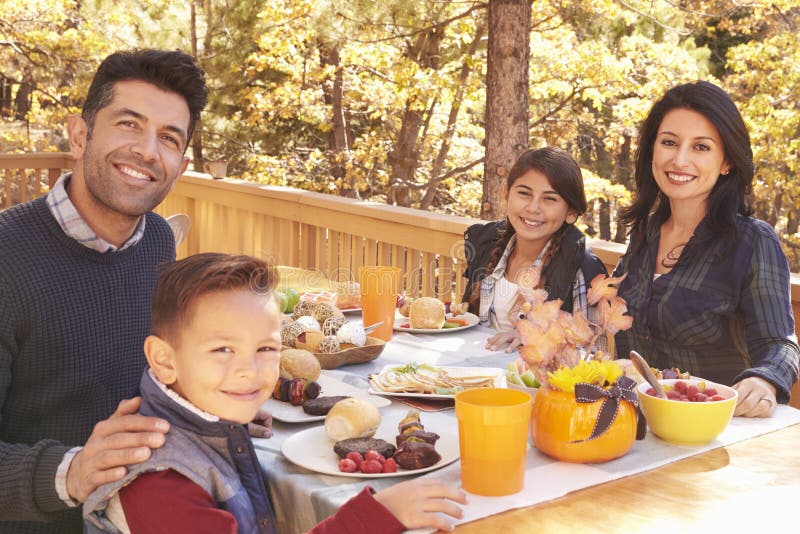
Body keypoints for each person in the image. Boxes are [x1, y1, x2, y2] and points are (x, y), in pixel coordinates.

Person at [83, 253, 467, 533]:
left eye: (265, 349)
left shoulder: (198, 417)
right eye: (222, 350)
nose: (249, 372)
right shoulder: (159, 483)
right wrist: (378, 515)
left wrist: (227, 418)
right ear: (164, 360)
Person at [0, 49, 208, 533]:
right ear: (79, 134)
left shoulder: (157, 239)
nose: (148, 151)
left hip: (147, 511)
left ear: (179, 163)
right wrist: (72, 472)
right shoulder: (6, 258)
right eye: (129, 124)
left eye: (169, 138)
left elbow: (149, 374)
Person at [613, 80, 800, 417]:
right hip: (638, 422)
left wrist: (764, 380)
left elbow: (781, 345)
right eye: (669, 142)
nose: (680, 159)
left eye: (701, 147)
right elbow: (613, 320)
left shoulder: (752, 242)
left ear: (727, 161)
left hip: (716, 430)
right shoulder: (644, 234)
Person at [461, 146, 607, 352]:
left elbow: (592, 355)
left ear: (571, 212)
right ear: (506, 193)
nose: (533, 208)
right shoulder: (486, 244)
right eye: (524, 193)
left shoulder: (580, 267)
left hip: (537, 382)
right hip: (476, 374)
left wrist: (538, 341)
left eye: (550, 199)